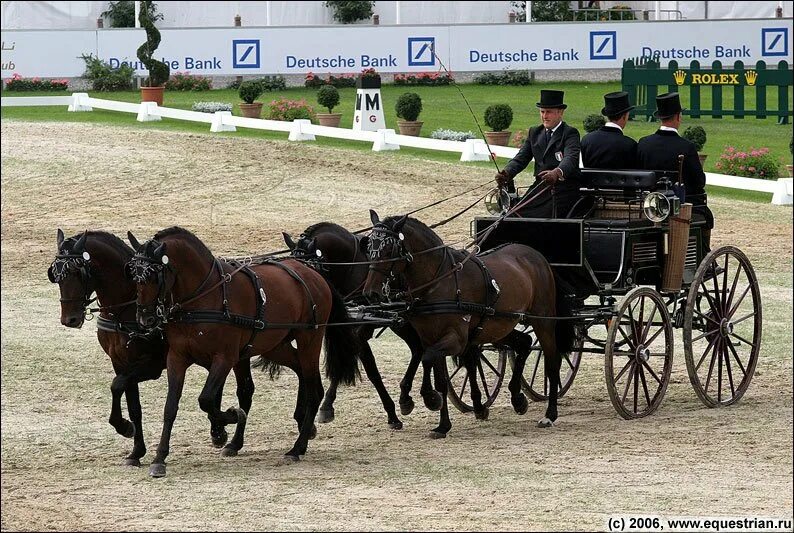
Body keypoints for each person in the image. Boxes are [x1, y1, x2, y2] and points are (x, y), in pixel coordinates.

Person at [636, 92, 713, 248]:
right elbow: (698, 182)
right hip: (679, 206)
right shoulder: (686, 146)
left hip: (650, 205)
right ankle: (703, 251)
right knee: (707, 215)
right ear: (678, 117)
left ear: (660, 118)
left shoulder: (644, 144)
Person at [495, 89, 582, 218]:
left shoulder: (570, 133)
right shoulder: (535, 132)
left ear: (560, 113)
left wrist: (557, 172)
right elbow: (521, 158)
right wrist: (507, 173)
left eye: (549, 112)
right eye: (542, 112)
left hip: (563, 189)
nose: (544, 116)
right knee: (514, 214)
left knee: (539, 217)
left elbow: (571, 158)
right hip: (540, 187)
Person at [581, 91, 637, 169]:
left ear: (607, 116)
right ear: (624, 116)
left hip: (592, 181)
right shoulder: (630, 145)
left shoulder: (587, 140)